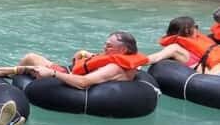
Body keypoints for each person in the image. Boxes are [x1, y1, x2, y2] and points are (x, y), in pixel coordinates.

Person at [12, 31, 149, 88]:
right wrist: (86, 55)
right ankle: (12, 73)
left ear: (123, 50)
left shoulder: (114, 67)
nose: (104, 48)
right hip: (76, 75)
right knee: (32, 58)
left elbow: (83, 82)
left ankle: (10, 77)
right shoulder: (129, 61)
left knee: (30, 58)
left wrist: (53, 74)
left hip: (73, 82)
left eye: (108, 46)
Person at [146, 16, 220, 74]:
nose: (197, 30)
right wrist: (137, 62)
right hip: (214, 74)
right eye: (195, 27)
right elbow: (156, 57)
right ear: (187, 30)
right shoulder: (174, 48)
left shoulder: (198, 40)